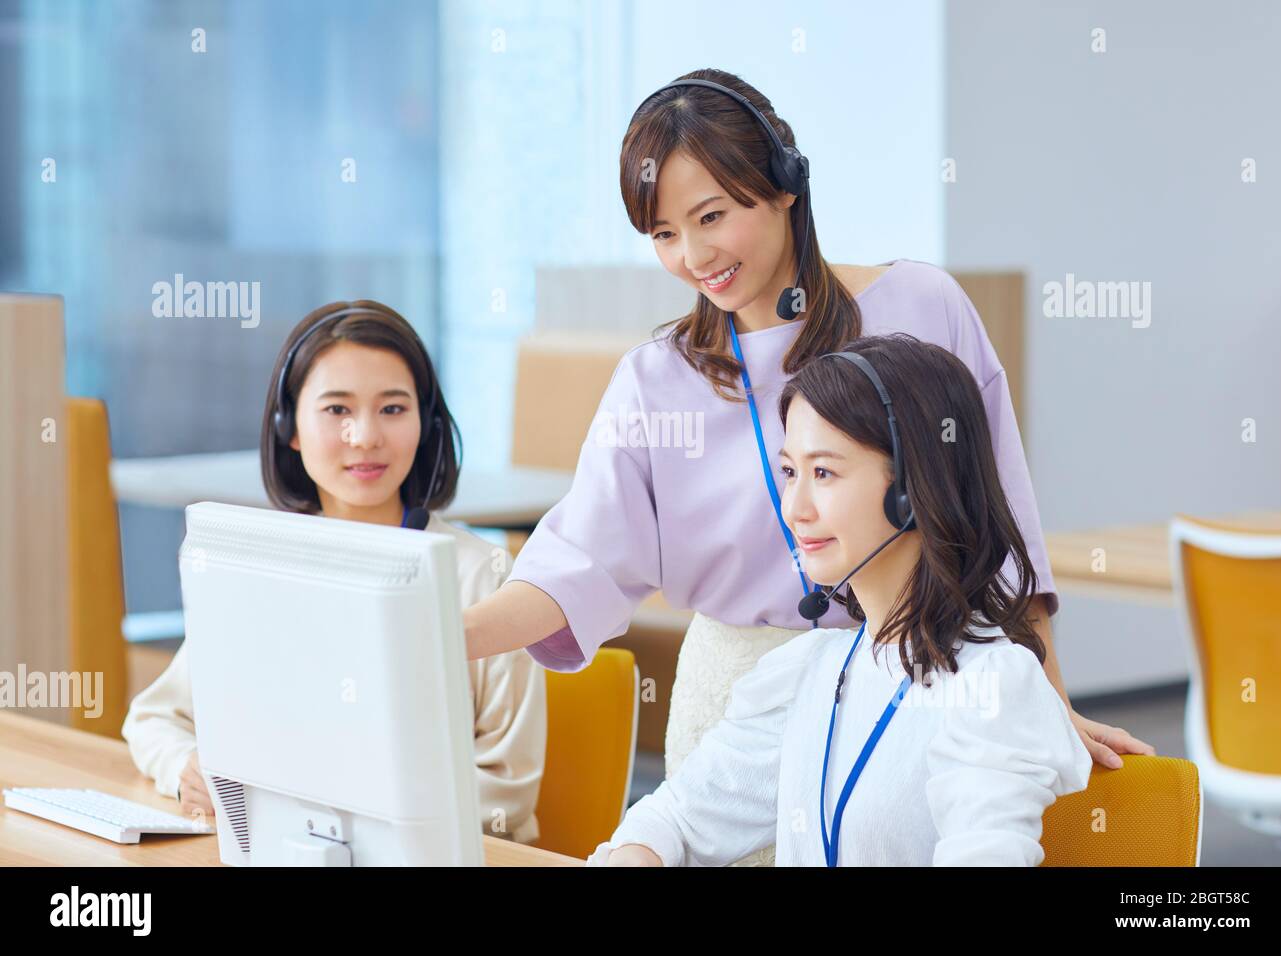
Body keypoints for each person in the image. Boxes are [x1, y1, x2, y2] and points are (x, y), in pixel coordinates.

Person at [463, 68, 1152, 865]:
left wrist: (1042, 694)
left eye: (712, 215)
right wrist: (451, 635)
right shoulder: (656, 381)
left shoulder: (921, 309)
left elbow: (1000, 525)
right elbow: (577, 561)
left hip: (922, 676)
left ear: (786, 186)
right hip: (740, 706)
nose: (693, 256)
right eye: (662, 234)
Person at [590, 334, 1093, 866]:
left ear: (912, 491)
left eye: (824, 473)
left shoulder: (989, 686)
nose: (794, 508)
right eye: (790, 472)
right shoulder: (809, 671)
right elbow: (673, 820)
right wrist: (639, 853)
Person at [122, 301, 547, 845]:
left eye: (393, 409)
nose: (365, 436)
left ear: (426, 423)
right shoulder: (262, 567)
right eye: (336, 410)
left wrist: (319, 803)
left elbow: (508, 792)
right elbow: (153, 719)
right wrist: (187, 766)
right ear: (289, 428)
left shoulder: (484, 577)